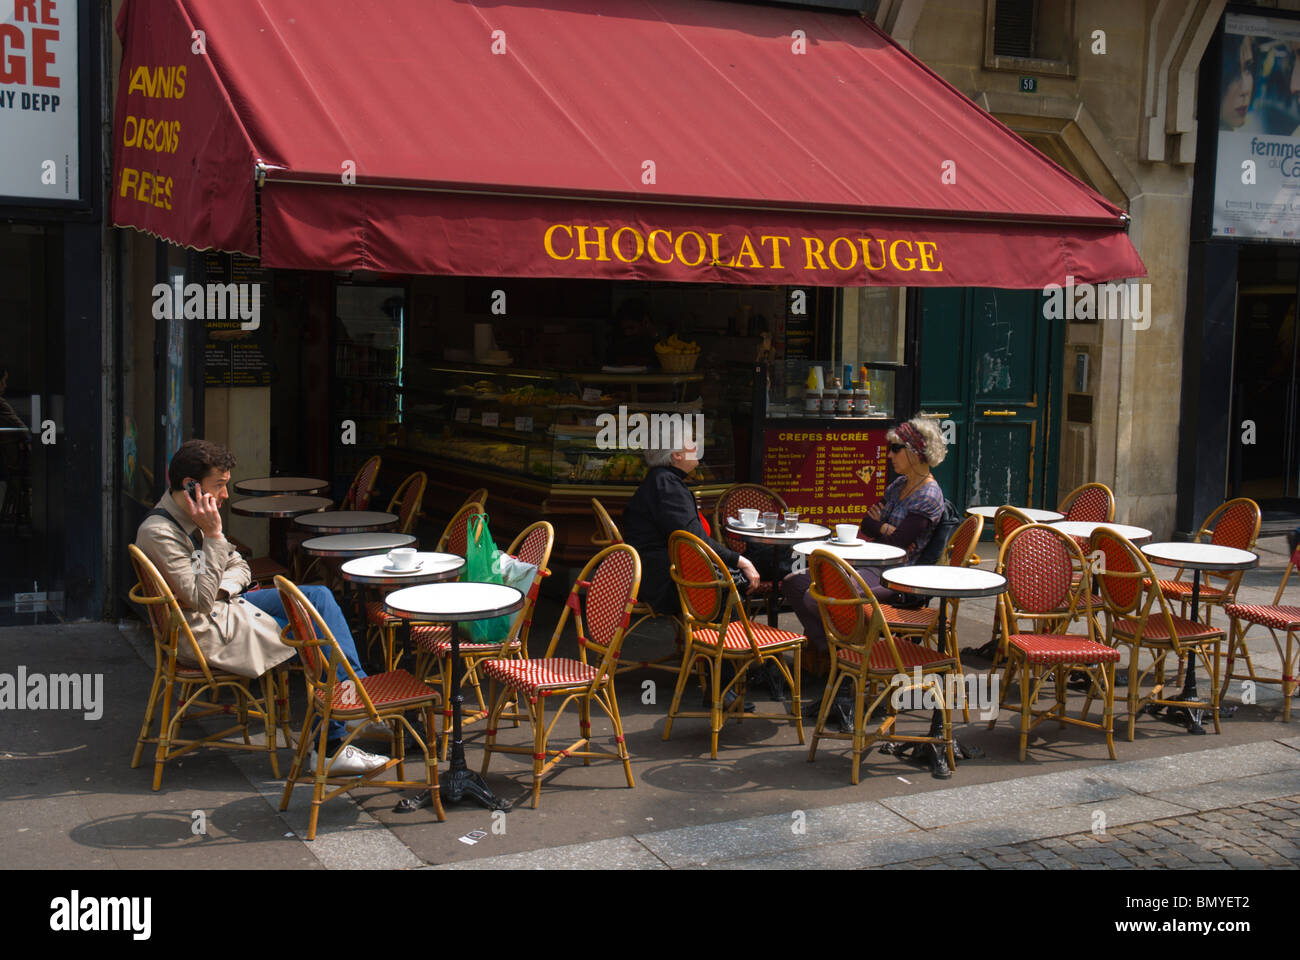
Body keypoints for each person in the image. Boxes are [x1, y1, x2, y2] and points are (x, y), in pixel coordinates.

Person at [134, 439, 386, 775]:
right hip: (202, 632)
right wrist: (213, 537)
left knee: (318, 598)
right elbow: (199, 600)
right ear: (191, 486)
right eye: (219, 485)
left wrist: (223, 586)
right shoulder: (160, 531)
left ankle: (354, 701)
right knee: (314, 637)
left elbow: (240, 566)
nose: (224, 495)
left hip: (225, 606)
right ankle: (338, 737)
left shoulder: (196, 516)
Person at [782, 418, 947, 725]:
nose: (889, 455)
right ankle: (840, 662)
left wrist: (882, 525)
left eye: (895, 448)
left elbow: (899, 544)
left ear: (915, 452)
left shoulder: (928, 496)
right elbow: (866, 523)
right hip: (871, 564)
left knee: (829, 598)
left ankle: (849, 673)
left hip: (897, 576)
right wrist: (883, 527)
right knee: (794, 583)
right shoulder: (899, 485)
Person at [621, 438, 761, 707]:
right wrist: (739, 560)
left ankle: (729, 673)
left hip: (661, 573)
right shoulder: (666, 485)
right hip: (665, 581)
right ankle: (722, 686)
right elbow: (693, 540)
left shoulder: (663, 481)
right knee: (726, 594)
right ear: (675, 454)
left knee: (734, 584)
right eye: (690, 443)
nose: (697, 446)